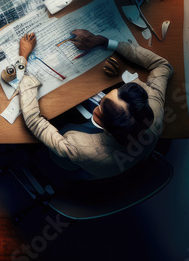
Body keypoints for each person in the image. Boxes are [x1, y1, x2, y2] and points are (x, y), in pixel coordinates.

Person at [17, 28, 172, 180]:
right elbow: (163, 66)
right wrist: (104, 42)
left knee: (41, 151)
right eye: (115, 92)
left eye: (102, 104)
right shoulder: (154, 109)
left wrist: (22, 59)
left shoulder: (80, 148)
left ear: (107, 128)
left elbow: (34, 121)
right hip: (132, 157)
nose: (99, 98)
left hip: (72, 165)